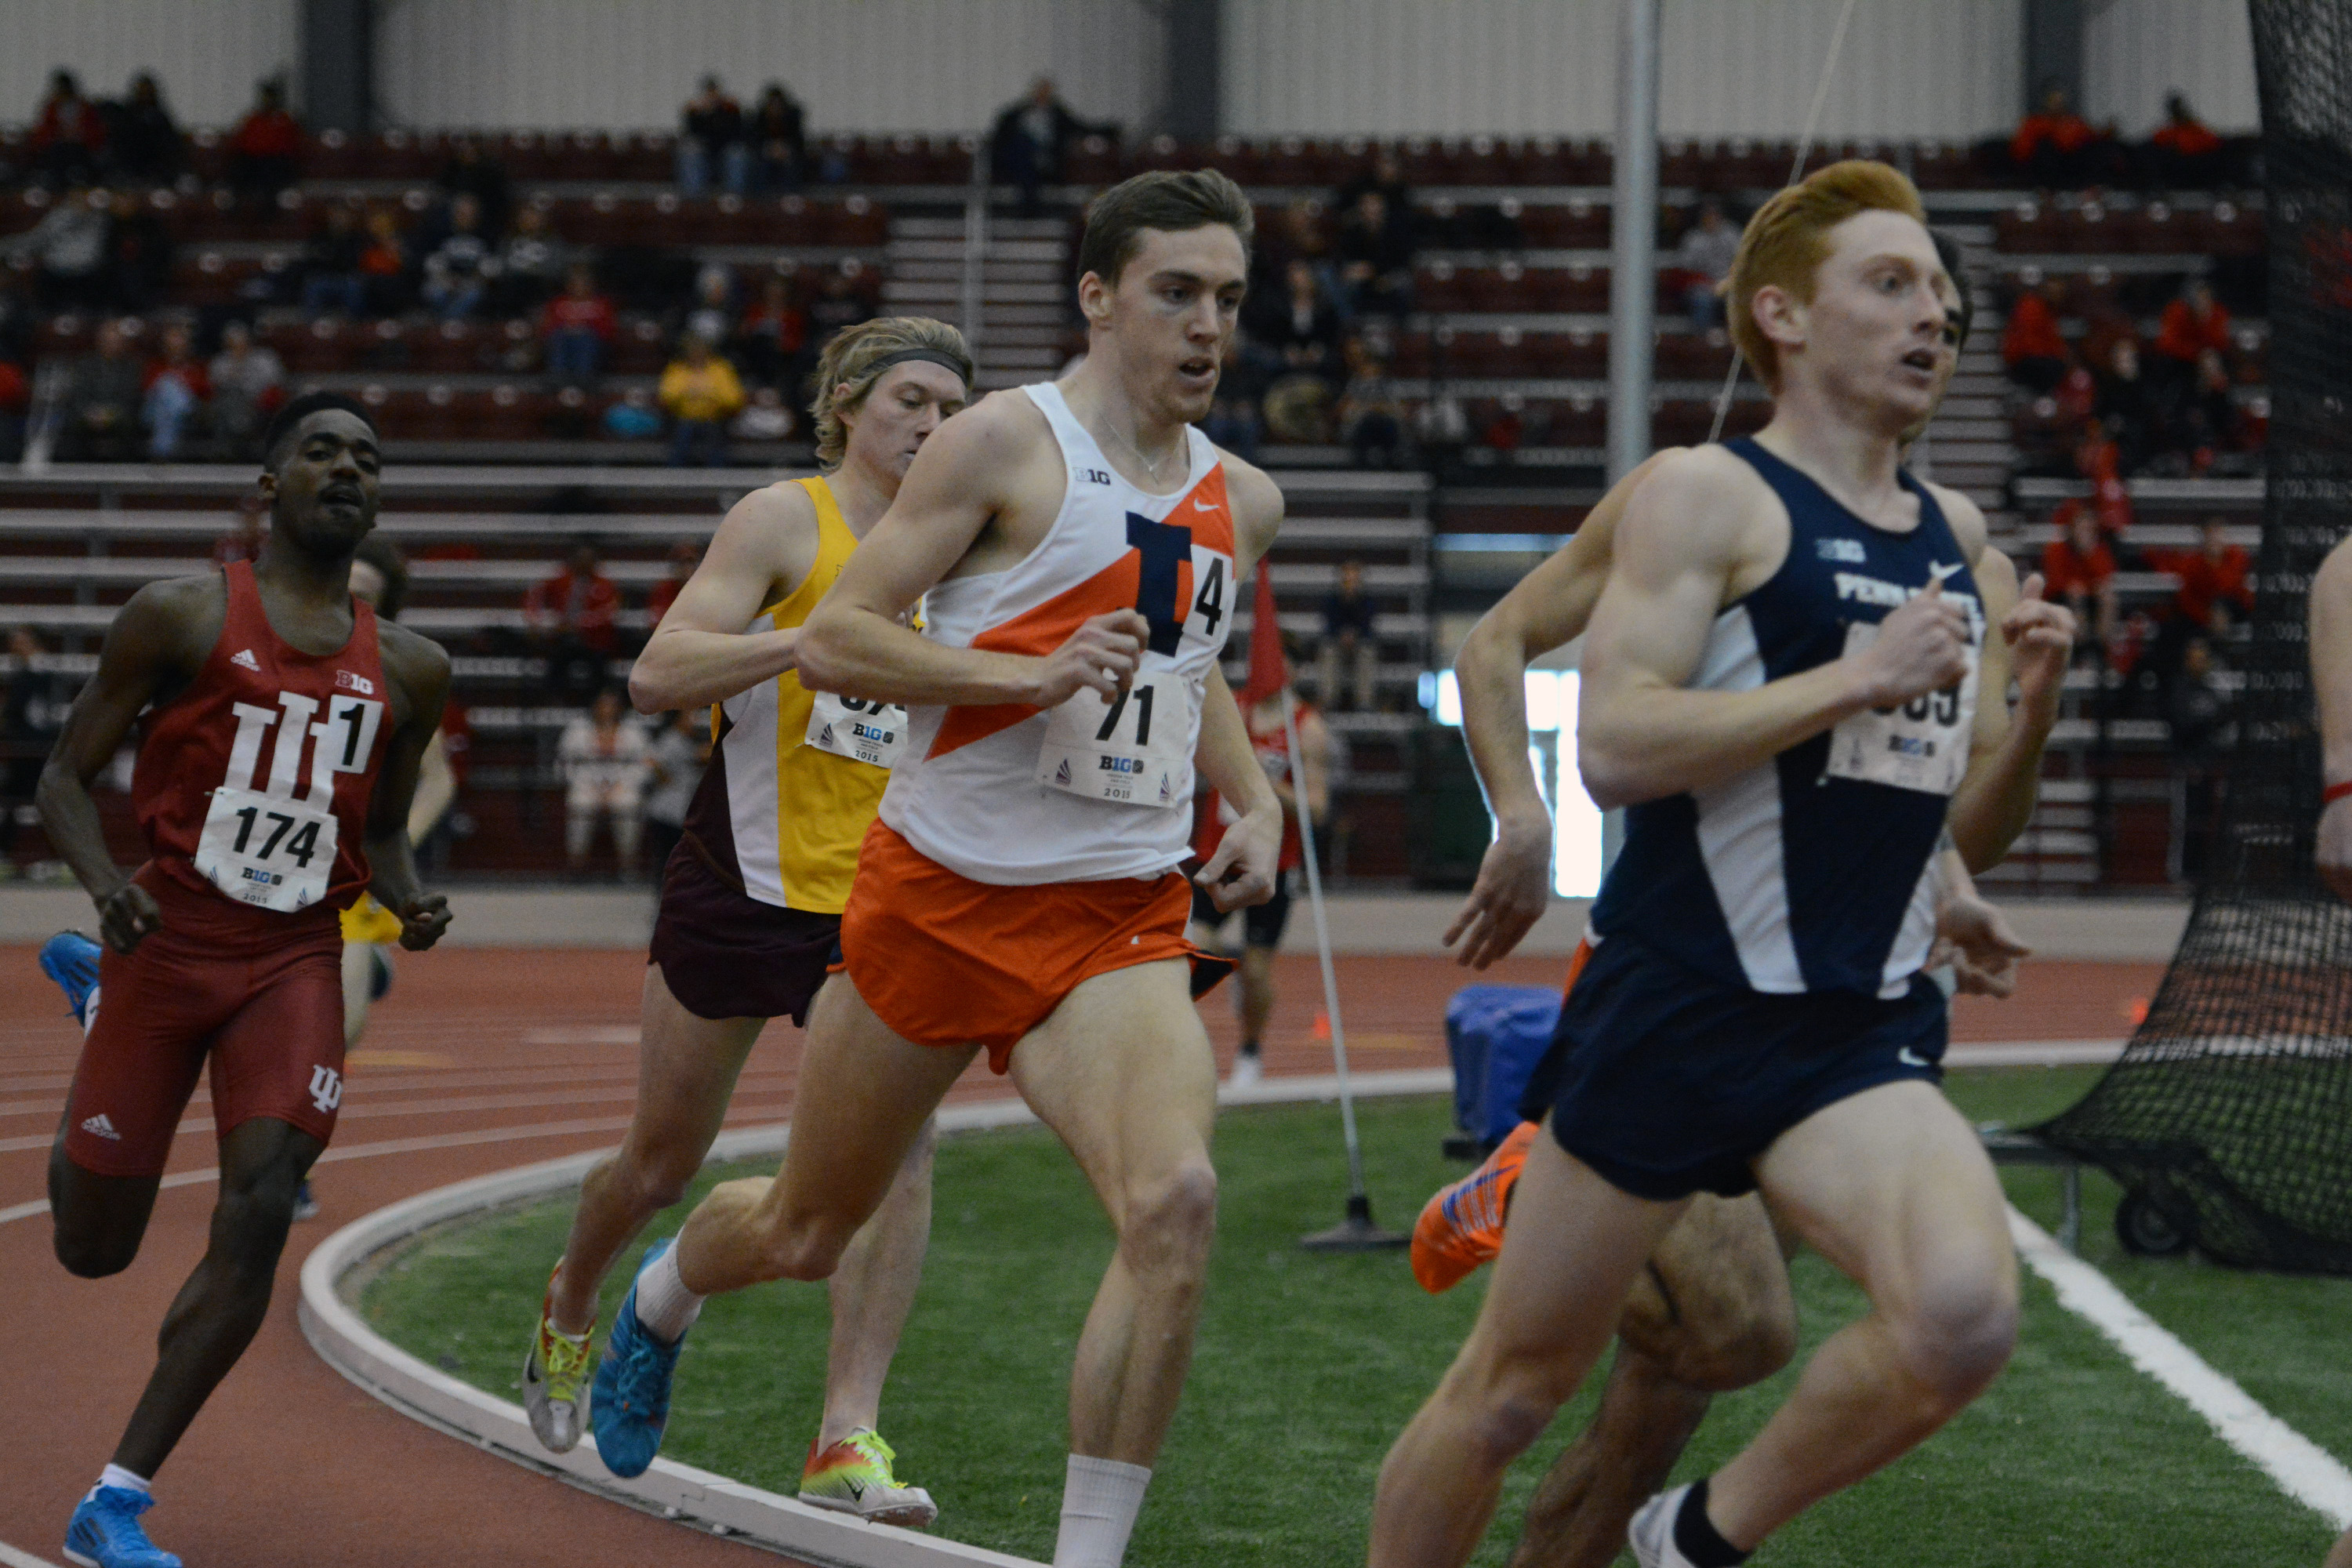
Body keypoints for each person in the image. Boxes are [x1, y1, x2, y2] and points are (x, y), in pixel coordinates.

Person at [584, 170, 1283, 1568]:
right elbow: (841, 637)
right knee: (802, 1230)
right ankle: (662, 1297)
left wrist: (1253, 794)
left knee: (1176, 1203)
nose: (1208, 325)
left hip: (1115, 913)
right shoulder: (1000, 445)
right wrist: (1022, 678)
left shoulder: (1245, 498)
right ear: (1098, 298)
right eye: (1177, 293)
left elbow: (1187, 658)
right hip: (940, 897)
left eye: (1228, 298)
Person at [1367, 161, 2043, 1568]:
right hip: (1679, 1009)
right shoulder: (1704, 496)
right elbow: (1615, 745)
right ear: (1780, 316)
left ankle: (1694, 1539)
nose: (1935, 313)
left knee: (1963, 1317)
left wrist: (1960, 870)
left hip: (1852, 1028)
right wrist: (1854, 677)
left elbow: (1914, 789)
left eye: (1943, 292)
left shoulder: (1956, 537)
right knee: (1511, 1394)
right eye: (1891, 283)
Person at [528, 318, 972, 1526]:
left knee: (902, 1151)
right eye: (911, 399)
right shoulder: (785, 520)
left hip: (883, 901)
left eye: (952, 408)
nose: (934, 424)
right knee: (660, 1162)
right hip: (742, 882)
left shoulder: (970, 552)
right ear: (846, 405)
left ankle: (846, 1435)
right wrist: (810, 642)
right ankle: (575, 1304)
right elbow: (656, 675)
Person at [34, 391, 450, 1568]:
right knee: (92, 1248)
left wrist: (410, 897)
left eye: (368, 456)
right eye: (322, 450)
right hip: (165, 944)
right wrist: (104, 883)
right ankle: (101, 1001)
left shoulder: (412, 667)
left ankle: (116, 1496)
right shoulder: (178, 615)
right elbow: (62, 778)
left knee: (262, 1203)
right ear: (270, 485)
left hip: (295, 957)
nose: (348, 468)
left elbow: (386, 827)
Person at [1188, 666, 1330, 1088]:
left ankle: (1250, 1050)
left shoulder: (1306, 728)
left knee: (1256, 972)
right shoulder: (1230, 708)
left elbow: (1317, 808)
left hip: (1273, 862)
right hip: (1217, 853)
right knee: (1194, 948)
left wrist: (1264, 786)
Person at [557, 687, 652, 878]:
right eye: (603, 705)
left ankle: (628, 866)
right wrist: (587, 785)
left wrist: (623, 785)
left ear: (620, 708)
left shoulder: (633, 731)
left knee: (629, 803)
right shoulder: (577, 729)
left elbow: (646, 764)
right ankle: (576, 864)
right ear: (595, 706)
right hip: (586, 785)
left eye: (612, 705)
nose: (607, 709)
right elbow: (563, 764)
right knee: (580, 803)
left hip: (623, 786)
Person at [989, 77, 1101, 215]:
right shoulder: (1016, 114)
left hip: (1047, 161)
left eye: (1046, 91)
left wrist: (1109, 131)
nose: (1043, 94)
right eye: (1040, 91)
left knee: (1028, 163)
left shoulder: (1058, 115)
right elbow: (999, 137)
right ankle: (1030, 205)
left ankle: (1028, 208)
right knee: (1023, 146)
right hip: (1018, 160)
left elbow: (1080, 128)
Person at [528, 542, 622, 698]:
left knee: (600, 667)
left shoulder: (604, 585)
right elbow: (536, 597)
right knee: (555, 661)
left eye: (588, 560)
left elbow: (608, 614)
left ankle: (598, 701)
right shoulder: (559, 580)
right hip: (563, 638)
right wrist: (537, 620)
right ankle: (554, 699)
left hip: (593, 641)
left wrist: (578, 624)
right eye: (581, 559)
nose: (584, 563)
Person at [6, 183, 111, 313]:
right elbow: (37, 238)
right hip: (57, 273)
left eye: (81, 195)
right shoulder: (60, 215)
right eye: (75, 196)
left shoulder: (100, 217)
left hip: (89, 274)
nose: (79, 199)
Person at [59, 318, 149, 463]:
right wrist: (90, 413)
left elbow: (132, 397)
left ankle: (126, 468)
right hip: (88, 414)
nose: (110, 344)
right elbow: (78, 394)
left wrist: (110, 415)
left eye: (115, 341)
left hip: (119, 415)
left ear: (122, 343)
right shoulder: (85, 364)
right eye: (107, 340)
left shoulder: (132, 367)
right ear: (99, 341)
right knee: (72, 421)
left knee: (130, 423)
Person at [2043, 499, 2118, 658]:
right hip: (2063, 598)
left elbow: (2104, 578)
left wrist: (2088, 554)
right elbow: (2055, 582)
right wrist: (2074, 587)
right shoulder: (2057, 549)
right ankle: (2079, 646)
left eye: (2089, 529)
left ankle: (2100, 647)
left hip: (2089, 597)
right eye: (2081, 528)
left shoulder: (2098, 551)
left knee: (2108, 598)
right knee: (2076, 596)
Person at [659, 332, 747, 467]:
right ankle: (675, 473)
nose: (696, 353)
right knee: (682, 436)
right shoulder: (677, 369)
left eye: (700, 350)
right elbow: (667, 396)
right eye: (692, 350)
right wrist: (687, 390)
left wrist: (710, 393)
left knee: (715, 440)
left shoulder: (721, 369)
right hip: (684, 419)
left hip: (714, 419)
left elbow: (733, 399)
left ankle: (718, 474)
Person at [209, 321, 288, 460]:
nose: (238, 345)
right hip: (228, 407)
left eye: (241, 340)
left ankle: (239, 440)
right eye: (233, 342)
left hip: (259, 406)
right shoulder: (220, 362)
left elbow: (277, 385)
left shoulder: (265, 359)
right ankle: (236, 440)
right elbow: (215, 388)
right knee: (232, 399)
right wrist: (235, 367)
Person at [637, 708, 702, 876]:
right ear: (677, 719)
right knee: (667, 859)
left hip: (678, 809)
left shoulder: (684, 740)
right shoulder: (671, 739)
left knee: (675, 861)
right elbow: (653, 763)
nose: (694, 721)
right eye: (689, 717)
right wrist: (664, 778)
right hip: (666, 812)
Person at [225, 80, 303, 208]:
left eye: (270, 97)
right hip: (253, 161)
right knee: (239, 169)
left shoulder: (284, 120)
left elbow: (291, 148)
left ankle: (268, 208)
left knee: (272, 174)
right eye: (265, 97)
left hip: (275, 163)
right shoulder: (253, 119)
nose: (267, 100)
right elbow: (239, 143)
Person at [419, 193, 493, 322]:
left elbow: (490, 268)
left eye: (470, 215)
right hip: (444, 280)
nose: (465, 218)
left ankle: (445, 323)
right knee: (435, 293)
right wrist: (448, 280)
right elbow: (432, 264)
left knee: (473, 295)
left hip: (473, 283)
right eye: (462, 214)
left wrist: (470, 281)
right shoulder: (440, 235)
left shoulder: (486, 237)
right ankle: (451, 323)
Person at [141, 321, 209, 462]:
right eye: (172, 339)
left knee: (167, 408)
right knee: (167, 385)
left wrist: (181, 383)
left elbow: (205, 391)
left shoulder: (196, 367)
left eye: (179, 339)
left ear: (187, 344)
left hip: (189, 414)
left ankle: (161, 454)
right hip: (152, 411)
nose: (176, 344)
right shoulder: (155, 366)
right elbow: (147, 389)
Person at [539, 263, 617, 386]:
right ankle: (558, 375)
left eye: (584, 283)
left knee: (585, 339)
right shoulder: (558, 303)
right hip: (564, 340)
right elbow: (547, 328)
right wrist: (567, 328)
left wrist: (585, 327)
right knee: (560, 337)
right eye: (576, 283)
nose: (580, 287)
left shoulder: (601, 304)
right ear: (569, 285)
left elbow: (608, 329)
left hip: (591, 342)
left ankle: (584, 376)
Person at [1319, 558, 1378, 713]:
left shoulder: (1368, 601)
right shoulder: (1331, 600)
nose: (1350, 582)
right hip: (1337, 644)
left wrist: (1354, 636)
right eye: (1347, 578)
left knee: (1367, 652)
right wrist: (1342, 635)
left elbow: (1367, 626)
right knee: (1328, 652)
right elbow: (1329, 626)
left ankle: (1364, 702)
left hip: (1359, 644)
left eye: (1354, 579)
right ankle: (1329, 700)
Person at [30, 71, 107, 189]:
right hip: (58, 146)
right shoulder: (52, 108)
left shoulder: (85, 107)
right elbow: (45, 130)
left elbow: (94, 129)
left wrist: (80, 135)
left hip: (82, 146)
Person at [1675, 199, 1742, 330]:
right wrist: (1708, 284)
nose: (1711, 218)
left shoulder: (1733, 234)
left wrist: (1728, 282)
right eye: (1708, 215)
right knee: (1702, 300)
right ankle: (1703, 337)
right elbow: (1686, 271)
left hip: (1729, 283)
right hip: (1703, 286)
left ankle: (1734, 337)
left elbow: (1742, 263)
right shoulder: (1693, 239)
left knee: (1740, 298)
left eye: (1715, 215)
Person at [677, 77, 748, 198]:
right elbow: (692, 133)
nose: (712, 97)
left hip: (725, 150)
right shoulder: (696, 112)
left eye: (714, 93)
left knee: (737, 154)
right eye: (709, 93)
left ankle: (733, 197)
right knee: (690, 152)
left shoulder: (730, 110)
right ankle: (693, 196)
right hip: (703, 152)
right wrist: (700, 114)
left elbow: (736, 132)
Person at [107, 73, 183, 185]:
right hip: (128, 169)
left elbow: (169, 147)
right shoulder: (125, 117)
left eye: (148, 92)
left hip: (156, 171)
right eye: (142, 92)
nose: (145, 96)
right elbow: (119, 145)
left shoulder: (160, 118)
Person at [2000, 275, 2069, 394]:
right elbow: (2028, 341)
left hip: (2034, 358)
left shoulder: (2044, 308)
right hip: (2027, 359)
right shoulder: (2030, 305)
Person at [300, 203, 370, 318]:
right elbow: (313, 260)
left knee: (355, 287)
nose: (339, 219)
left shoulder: (356, 238)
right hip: (324, 277)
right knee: (313, 285)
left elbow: (352, 261)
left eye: (343, 216)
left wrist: (331, 257)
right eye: (336, 215)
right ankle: (312, 323)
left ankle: (354, 323)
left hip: (347, 278)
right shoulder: (320, 237)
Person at [749, 82, 809, 193]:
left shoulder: (792, 119)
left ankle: (790, 197)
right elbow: (754, 141)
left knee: (792, 165)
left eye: (778, 104)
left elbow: (798, 141)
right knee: (760, 166)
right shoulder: (759, 119)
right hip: (765, 155)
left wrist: (785, 150)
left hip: (787, 154)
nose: (775, 108)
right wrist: (769, 150)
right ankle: (761, 198)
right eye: (773, 104)